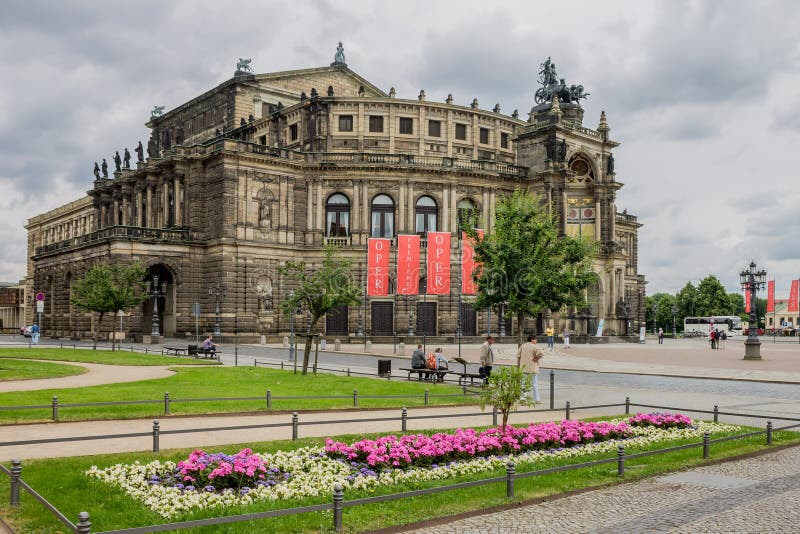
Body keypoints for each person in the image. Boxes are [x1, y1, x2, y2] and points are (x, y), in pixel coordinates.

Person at [517, 335, 543, 404]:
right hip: (533, 367)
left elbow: (518, 355)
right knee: (535, 383)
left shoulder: (523, 346)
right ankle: (537, 399)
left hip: (524, 367)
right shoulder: (535, 346)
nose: (536, 341)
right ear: (532, 340)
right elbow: (541, 354)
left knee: (523, 383)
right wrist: (536, 358)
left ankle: (522, 399)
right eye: (535, 339)